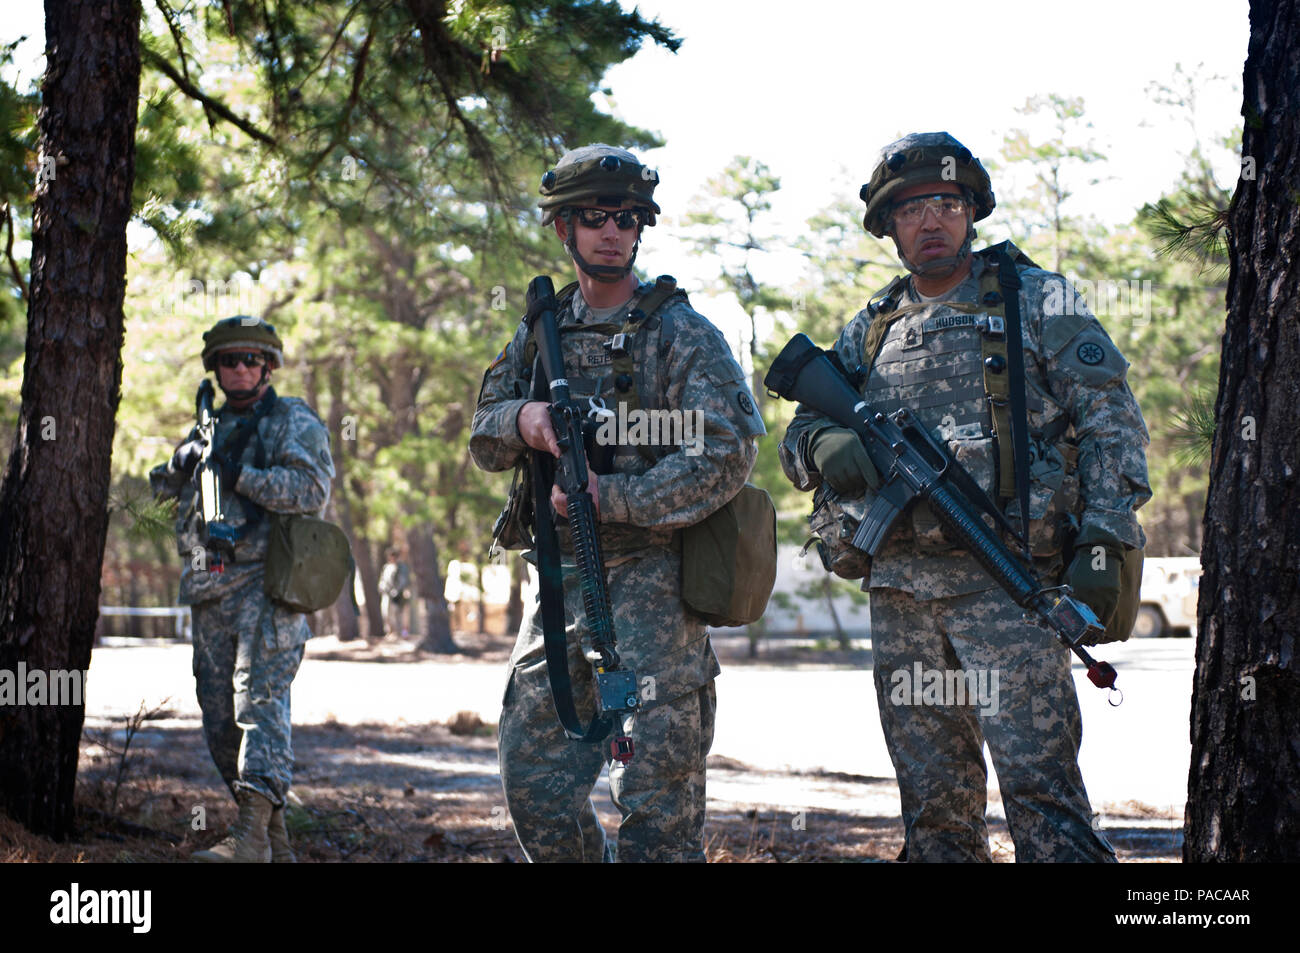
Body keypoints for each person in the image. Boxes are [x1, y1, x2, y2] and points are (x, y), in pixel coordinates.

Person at [778, 132, 1150, 862]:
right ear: (888, 226)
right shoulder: (873, 324)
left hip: (1011, 589)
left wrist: (1104, 539)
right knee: (934, 811)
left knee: (1046, 806)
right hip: (903, 595)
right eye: (912, 208)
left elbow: (1111, 420)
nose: (931, 221)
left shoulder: (1035, 297)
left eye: (947, 202)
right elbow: (800, 426)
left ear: (972, 210)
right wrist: (823, 444)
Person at [469, 144, 765, 862]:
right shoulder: (542, 331)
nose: (612, 230)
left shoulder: (678, 331)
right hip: (564, 583)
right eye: (594, 217)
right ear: (564, 229)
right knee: (534, 781)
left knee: (657, 802)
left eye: (627, 218)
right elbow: (484, 432)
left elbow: (728, 449)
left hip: (656, 586)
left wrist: (618, 497)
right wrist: (525, 422)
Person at [150, 316, 335, 863]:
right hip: (210, 586)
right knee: (218, 715)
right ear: (215, 367)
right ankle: (273, 843)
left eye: (250, 360)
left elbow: (311, 489)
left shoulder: (289, 419)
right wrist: (178, 465)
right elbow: (163, 491)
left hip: (266, 583)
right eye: (228, 361)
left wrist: (241, 475)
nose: (238, 369)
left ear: (268, 366)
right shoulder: (207, 428)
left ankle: (250, 836)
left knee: (259, 702)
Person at [379, 547, 412, 638]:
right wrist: (382, 587)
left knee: (400, 615)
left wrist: (397, 591)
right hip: (387, 594)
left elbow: (403, 580)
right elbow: (383, 580)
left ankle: (403, 633)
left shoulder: (402, 567)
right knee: (386, 613)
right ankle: (391, 632)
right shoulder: (386, 567)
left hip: (398, 595)